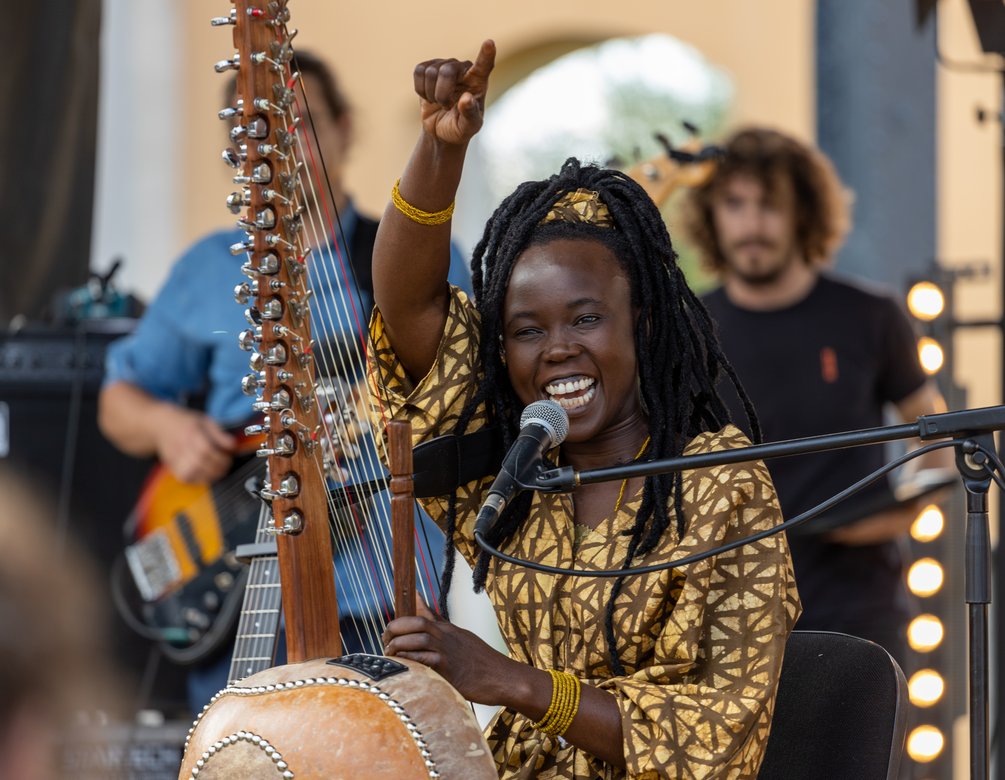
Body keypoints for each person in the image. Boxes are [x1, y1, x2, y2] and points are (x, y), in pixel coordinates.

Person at [369, 41, 800, 778]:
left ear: (646, 325)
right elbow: (409, 306)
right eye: (527, 331)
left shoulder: (719, 486)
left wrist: (516, 685)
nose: (556, 349)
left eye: (585, 320)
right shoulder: (511, 484)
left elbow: (718, 740)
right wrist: (438, 152)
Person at [97, 51, 472, 714]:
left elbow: (469, 390)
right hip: (238, 598)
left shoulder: (414, 259)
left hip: (382, 610)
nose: (273, 144)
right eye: (250, 129)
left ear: (344, 129)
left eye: (293, 121)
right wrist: (169, 428)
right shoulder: (205, 270)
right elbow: (118, 402)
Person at [683, 127, 951, 665]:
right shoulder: (687, 328)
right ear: (711, 215)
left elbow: (936, 432)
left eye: (770, 206)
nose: (752, 225)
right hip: (723, 620)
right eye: (735, 204)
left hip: (857, 613)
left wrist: (900, 514)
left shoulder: (870, 316)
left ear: (803, 213)